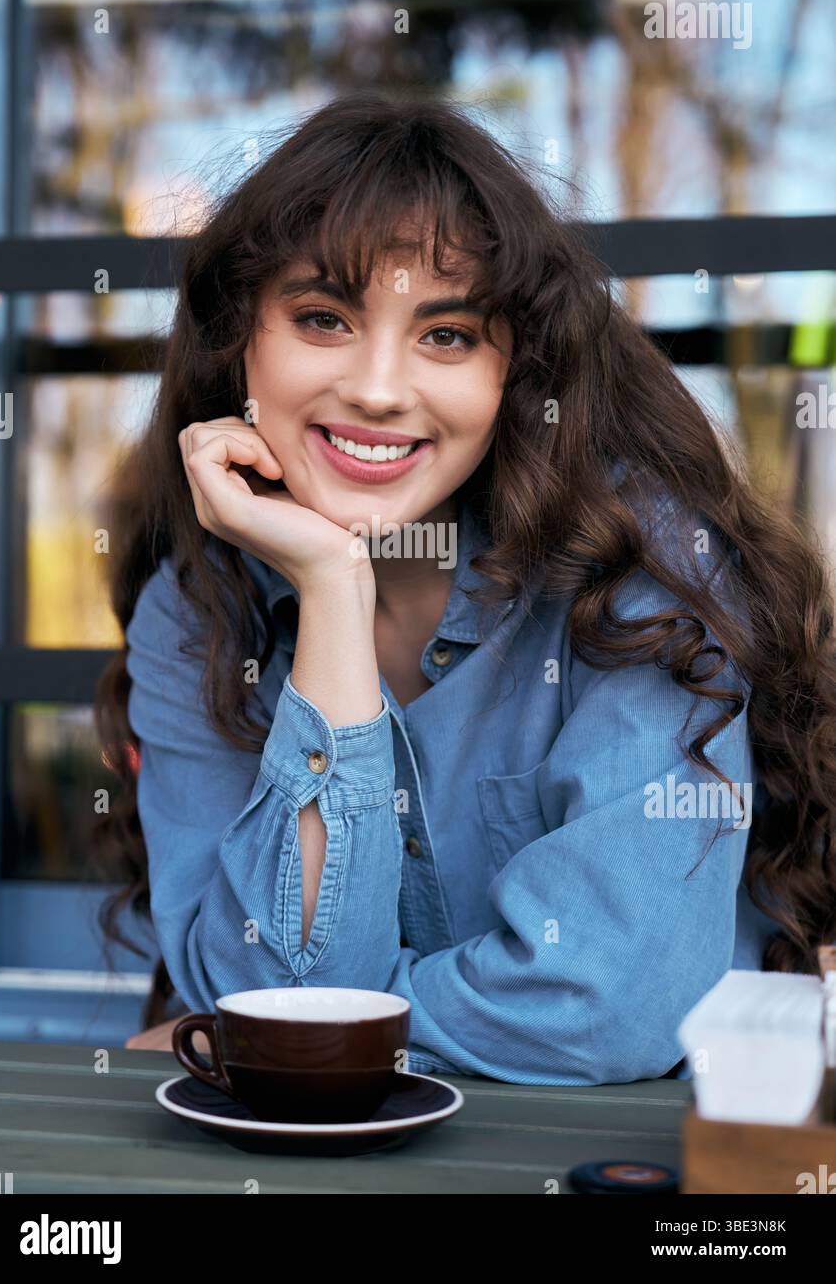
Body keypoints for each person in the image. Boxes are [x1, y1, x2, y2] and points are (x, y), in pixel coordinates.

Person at [94, 92, 836, 1084]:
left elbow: (610, 1003)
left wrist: (292, 1032)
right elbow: (266, 973)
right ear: (241, 343)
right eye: (323, 318)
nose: (377, 387)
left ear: (510, 372)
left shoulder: (637, 574)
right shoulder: (192, 616)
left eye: (445, 335)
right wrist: (330, 589)